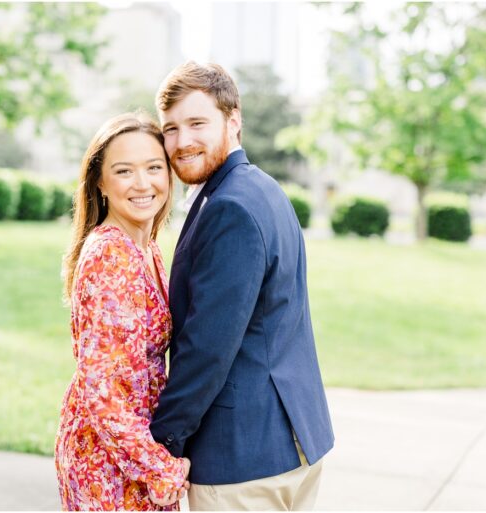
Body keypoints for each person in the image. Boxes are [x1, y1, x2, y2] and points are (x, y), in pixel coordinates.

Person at [148, 61, 335, 510]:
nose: (182, 141)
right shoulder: (263, 189)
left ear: (233, 121)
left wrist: (163, 440)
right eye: (170, 129)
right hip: (294, 444)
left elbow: (208, 347)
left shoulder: (229, 207)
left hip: (242, 460)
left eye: (197, 123)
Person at [55, 112, 190, 511]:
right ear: (100, 181)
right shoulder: (111, 255)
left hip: (133, 450)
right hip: (108, 460)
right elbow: (103, 390)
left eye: (153, 167)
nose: (143, 183)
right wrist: (157, 469)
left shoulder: (147, 247)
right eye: (124, 171)